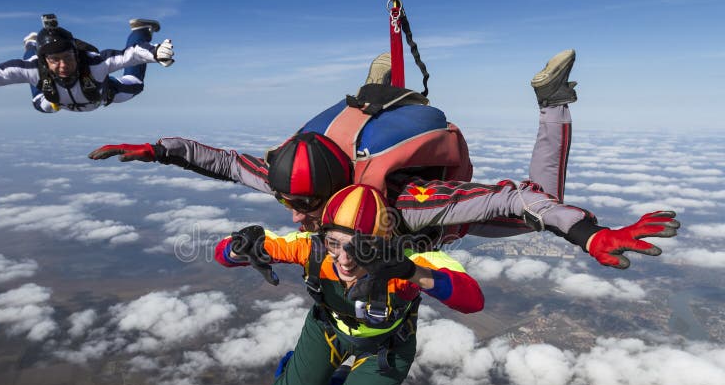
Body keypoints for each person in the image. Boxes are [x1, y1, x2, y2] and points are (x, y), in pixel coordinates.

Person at [89, 50, 680, 270]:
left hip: (439, 214)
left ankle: (552, 103)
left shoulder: (409, 205)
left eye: (307, 207)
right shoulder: (286, 177)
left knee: (536, 206)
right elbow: (217, 161)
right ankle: (377, 89)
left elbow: (518, 198)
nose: (298, 216)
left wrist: (587, 234)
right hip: (392, 212)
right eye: (293, 205)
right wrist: (157, 151)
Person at [214, 185, 484, 385]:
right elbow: (225, 254)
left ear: (380, 242)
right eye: (334, 243)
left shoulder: (405, 261)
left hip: (386, 348)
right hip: (328, 330)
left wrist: (411, 272)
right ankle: (313, 375)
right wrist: (238, 249)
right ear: (325, 237)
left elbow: (472, 299)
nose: (344, 259)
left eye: (360, 248)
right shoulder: (312, 249)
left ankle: (338, 381)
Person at [0, 16, 174, 113]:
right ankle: (32, 44)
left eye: (67, 57)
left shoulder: (95, 63)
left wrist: (155, 52)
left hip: (100, 95)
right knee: (43, 104)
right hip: (59, 98)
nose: (62, 66)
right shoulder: (33, 68)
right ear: (44, 60)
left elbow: (132, 55)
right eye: (54, 60)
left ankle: (140, 30)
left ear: (76, 54)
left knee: (134, 84)